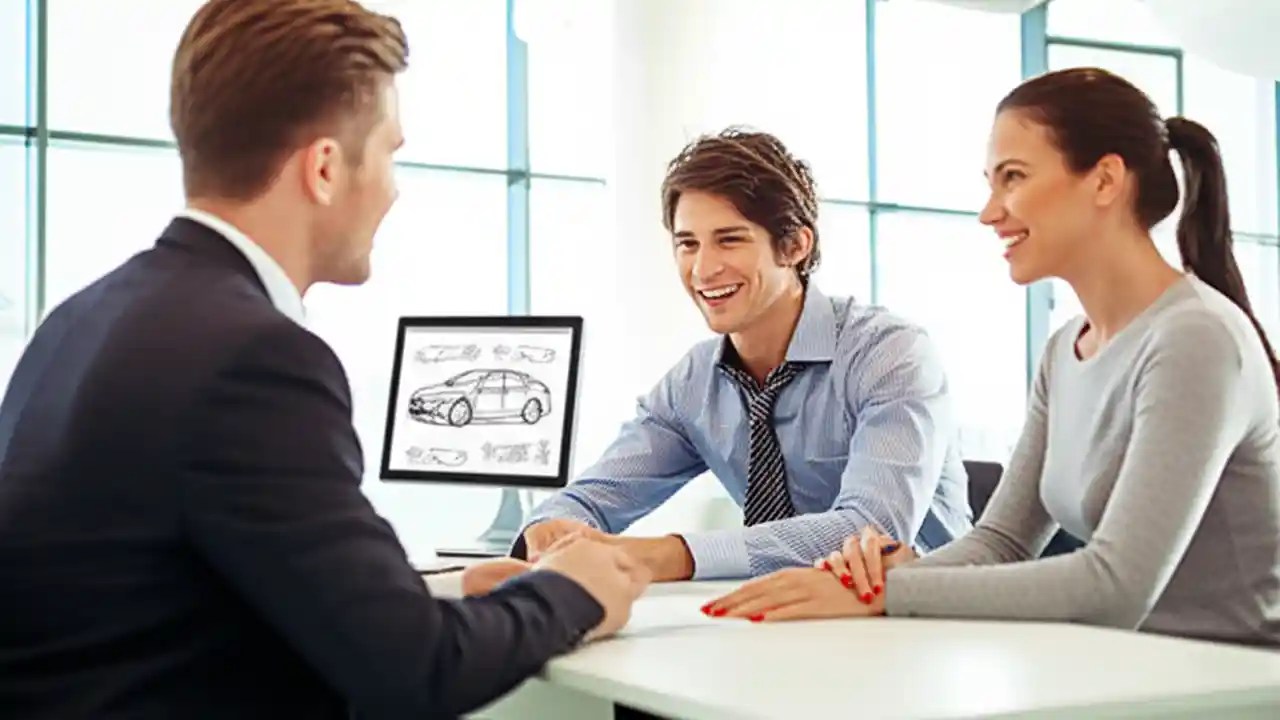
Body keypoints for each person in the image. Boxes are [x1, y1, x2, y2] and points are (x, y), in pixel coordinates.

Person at [0, 1, 649, 717]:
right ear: (325, 168)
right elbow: (416, 671)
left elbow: (174, 598)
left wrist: (432, 592)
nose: (396, 189)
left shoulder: (80, 320)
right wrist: (573, 590)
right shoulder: (254, 359)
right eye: (392, 153)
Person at [704, 67, 1280, 647]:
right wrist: (854, 586)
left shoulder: (1195, 338)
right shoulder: (1066, 350)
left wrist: (889, 595)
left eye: (1013, 178)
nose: (990, 212)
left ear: (1105, 180)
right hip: (1127, 673)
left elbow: (1114, 586)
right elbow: (1000, 541)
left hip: (1231, 688)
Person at [509, 128, 972, 584]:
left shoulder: (890, 354)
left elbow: (872, 530)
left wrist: (672, 555)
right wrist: (551, 529)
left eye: (729, 240)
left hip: (925, 620)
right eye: (687, 243)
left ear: (794, 246)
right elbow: (593, 498)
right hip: (785, 619)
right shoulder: (695, 382)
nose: (703, 269)